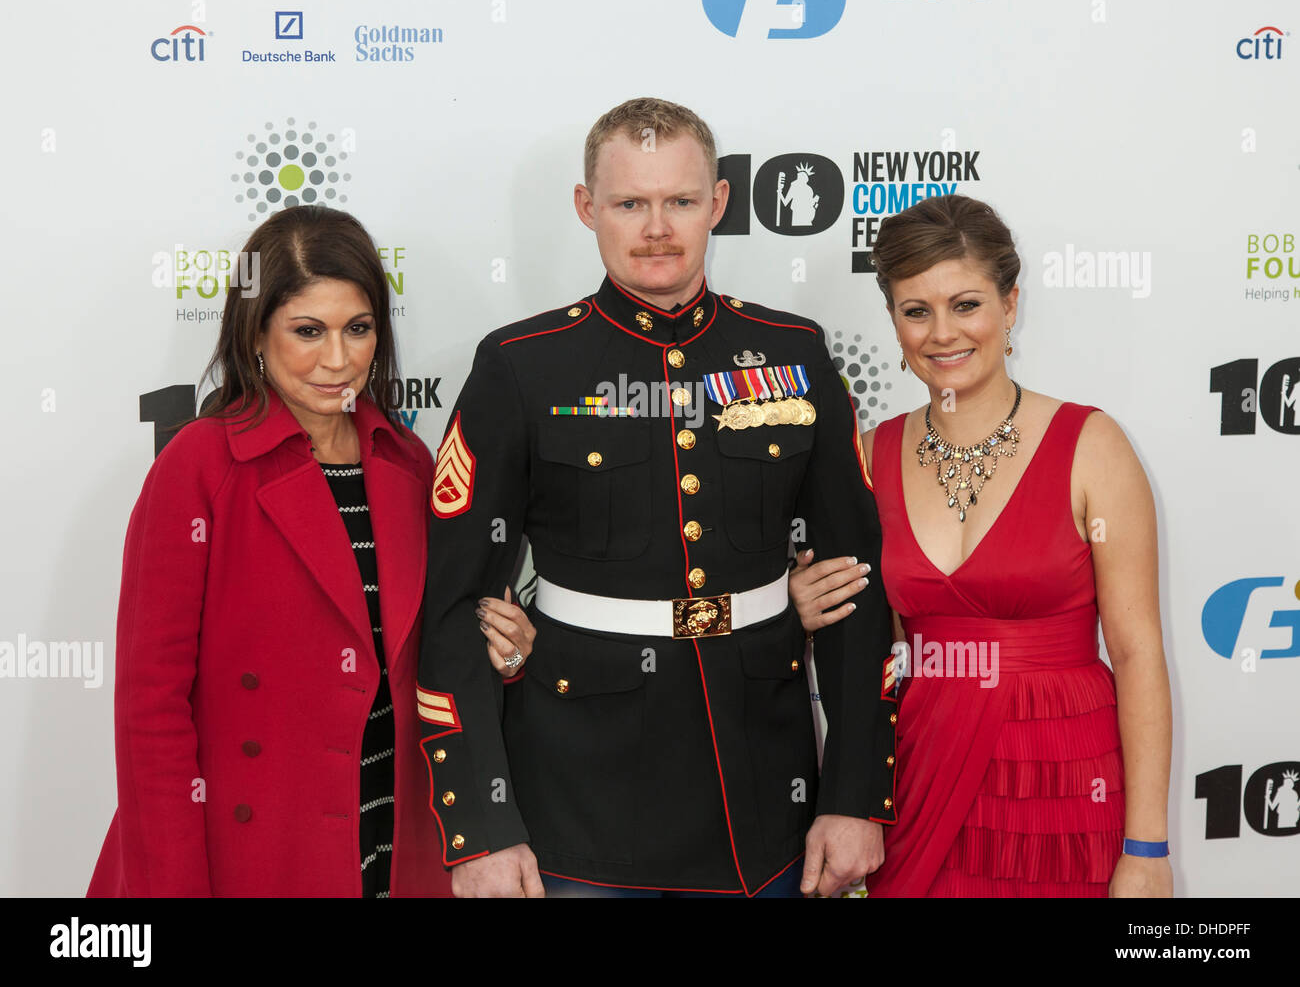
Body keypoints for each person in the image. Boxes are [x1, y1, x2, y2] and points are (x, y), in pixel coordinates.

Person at [416, 97, 897, 897]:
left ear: (718, 203)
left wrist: (854, 797)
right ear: (586, 208)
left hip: (761, 799)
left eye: (679, 201)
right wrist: (480, 829)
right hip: (577, 800)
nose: (657, 228)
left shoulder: (793, 353)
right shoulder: (523, 365)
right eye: (629, 203)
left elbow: (854, 590)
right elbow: (454, 609)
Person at [790, 194, 1174, 897]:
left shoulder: (1093, 446)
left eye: (965, 304)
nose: (942, 333)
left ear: (1010, 304)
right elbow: (868, 648)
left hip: (1063, 772)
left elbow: (1138, 651)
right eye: (916, 310)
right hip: (920, 773)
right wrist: (800, 605)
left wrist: (1146, 848)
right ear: (894, 321)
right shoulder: (868, 457)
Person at [88, 205, 454, 897]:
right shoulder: (200, 466)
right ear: (256, 332)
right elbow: (151, 711)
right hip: (250, 855)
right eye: (307, 331)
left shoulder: (409, 462)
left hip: (391, 843)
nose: (339, 359)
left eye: (359, 328)